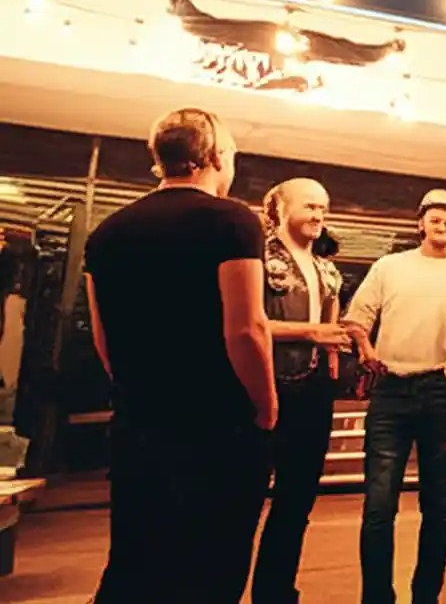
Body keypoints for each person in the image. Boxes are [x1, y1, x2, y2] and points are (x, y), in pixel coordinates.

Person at [85, 107, 275, 604]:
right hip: (216, 423)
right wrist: (266, 406)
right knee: (214, 561)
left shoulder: (108, 231)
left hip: (138, 421)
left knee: (136, 557)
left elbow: (103, 339)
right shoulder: (232, 220)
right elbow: (246, 328)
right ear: (214, 156)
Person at [343, 189, 446, 604]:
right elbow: (357, 319)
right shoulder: (390, 266)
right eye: (437, 216)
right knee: (379, 507)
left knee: (438, 507)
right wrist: (366, 350)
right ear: (420, 222)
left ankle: (426, 597)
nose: (445, 222)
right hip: (392, 389)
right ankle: (376, 597)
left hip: (443, 391)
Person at [251, 178, 350, 604]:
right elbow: (245, 325)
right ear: (280, 208)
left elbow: (331, 325)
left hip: (313, 394)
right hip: (261, 387)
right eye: (310, 206)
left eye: (323, 208)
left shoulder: (328, 268)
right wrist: (311, 333)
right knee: (244, 498)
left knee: (296, 501)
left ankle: (275, 593)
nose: (318, 216)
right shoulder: (255, 258)